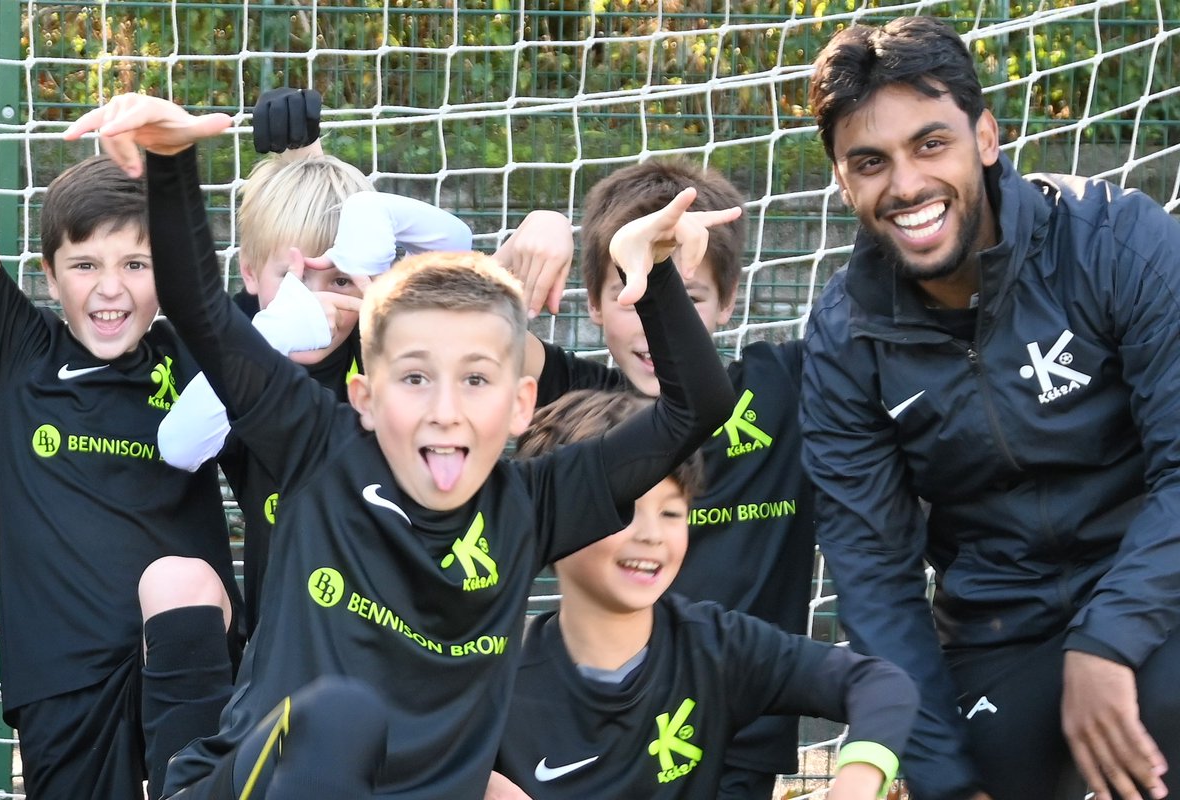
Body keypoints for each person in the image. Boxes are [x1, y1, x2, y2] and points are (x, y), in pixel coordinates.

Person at [63, 91, 737, 800]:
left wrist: (655, 272)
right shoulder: (318, 450)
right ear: (365, 394)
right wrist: (171, 159)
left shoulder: (532, 507)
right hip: (254, 785)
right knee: (342, 717)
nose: (445, 411)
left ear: (520, 404)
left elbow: (698, 406)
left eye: (475, 380)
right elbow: (201, 309)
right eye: (416, 378)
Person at [801, 14, 1180, 800]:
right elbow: (875, 575)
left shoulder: (1117, 244)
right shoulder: (845, 337)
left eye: (929, 144)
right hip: (1001, 630)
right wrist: (941, 778)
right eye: (870, 162)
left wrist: (1108, 640)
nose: (906, 185)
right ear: (843, 181)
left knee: (1164, 710)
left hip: (1154, 587)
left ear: (985, 137)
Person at [505, 157, 813, 798]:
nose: (654, 319)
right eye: (629, 291)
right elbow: (463, 328)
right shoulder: (578, 401)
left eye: (686, 295)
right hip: (608, 745)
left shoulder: (785, 389)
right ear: (593, 302)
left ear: (728, 301)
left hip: (743, 747)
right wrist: (541, 231)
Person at [486, 388, 918, 800]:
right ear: (551, 521)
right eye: (623, 509)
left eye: (671, 512)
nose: (652, 535)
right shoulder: (491, 673)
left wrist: (858, 779)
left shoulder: (716, 646)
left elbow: (880, 684)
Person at [157, 88, 474, 634]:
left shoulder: (384, 341)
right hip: (284, 644)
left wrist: (374, 212)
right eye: (293, 278)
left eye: (340, 279)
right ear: (250, 273)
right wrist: (277, 331)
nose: (318, 299)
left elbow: (458, 249)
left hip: (401, 636)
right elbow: (179, 446)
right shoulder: (247, 345)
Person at [0, 153, 242, 799]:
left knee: (179, 581)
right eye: (85, 265)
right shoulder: (20, 351)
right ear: (49, 274)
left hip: (187, 656)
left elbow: (308, 289)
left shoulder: (195, 357)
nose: (109, 288)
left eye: (135, 264)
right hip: (64, 679)